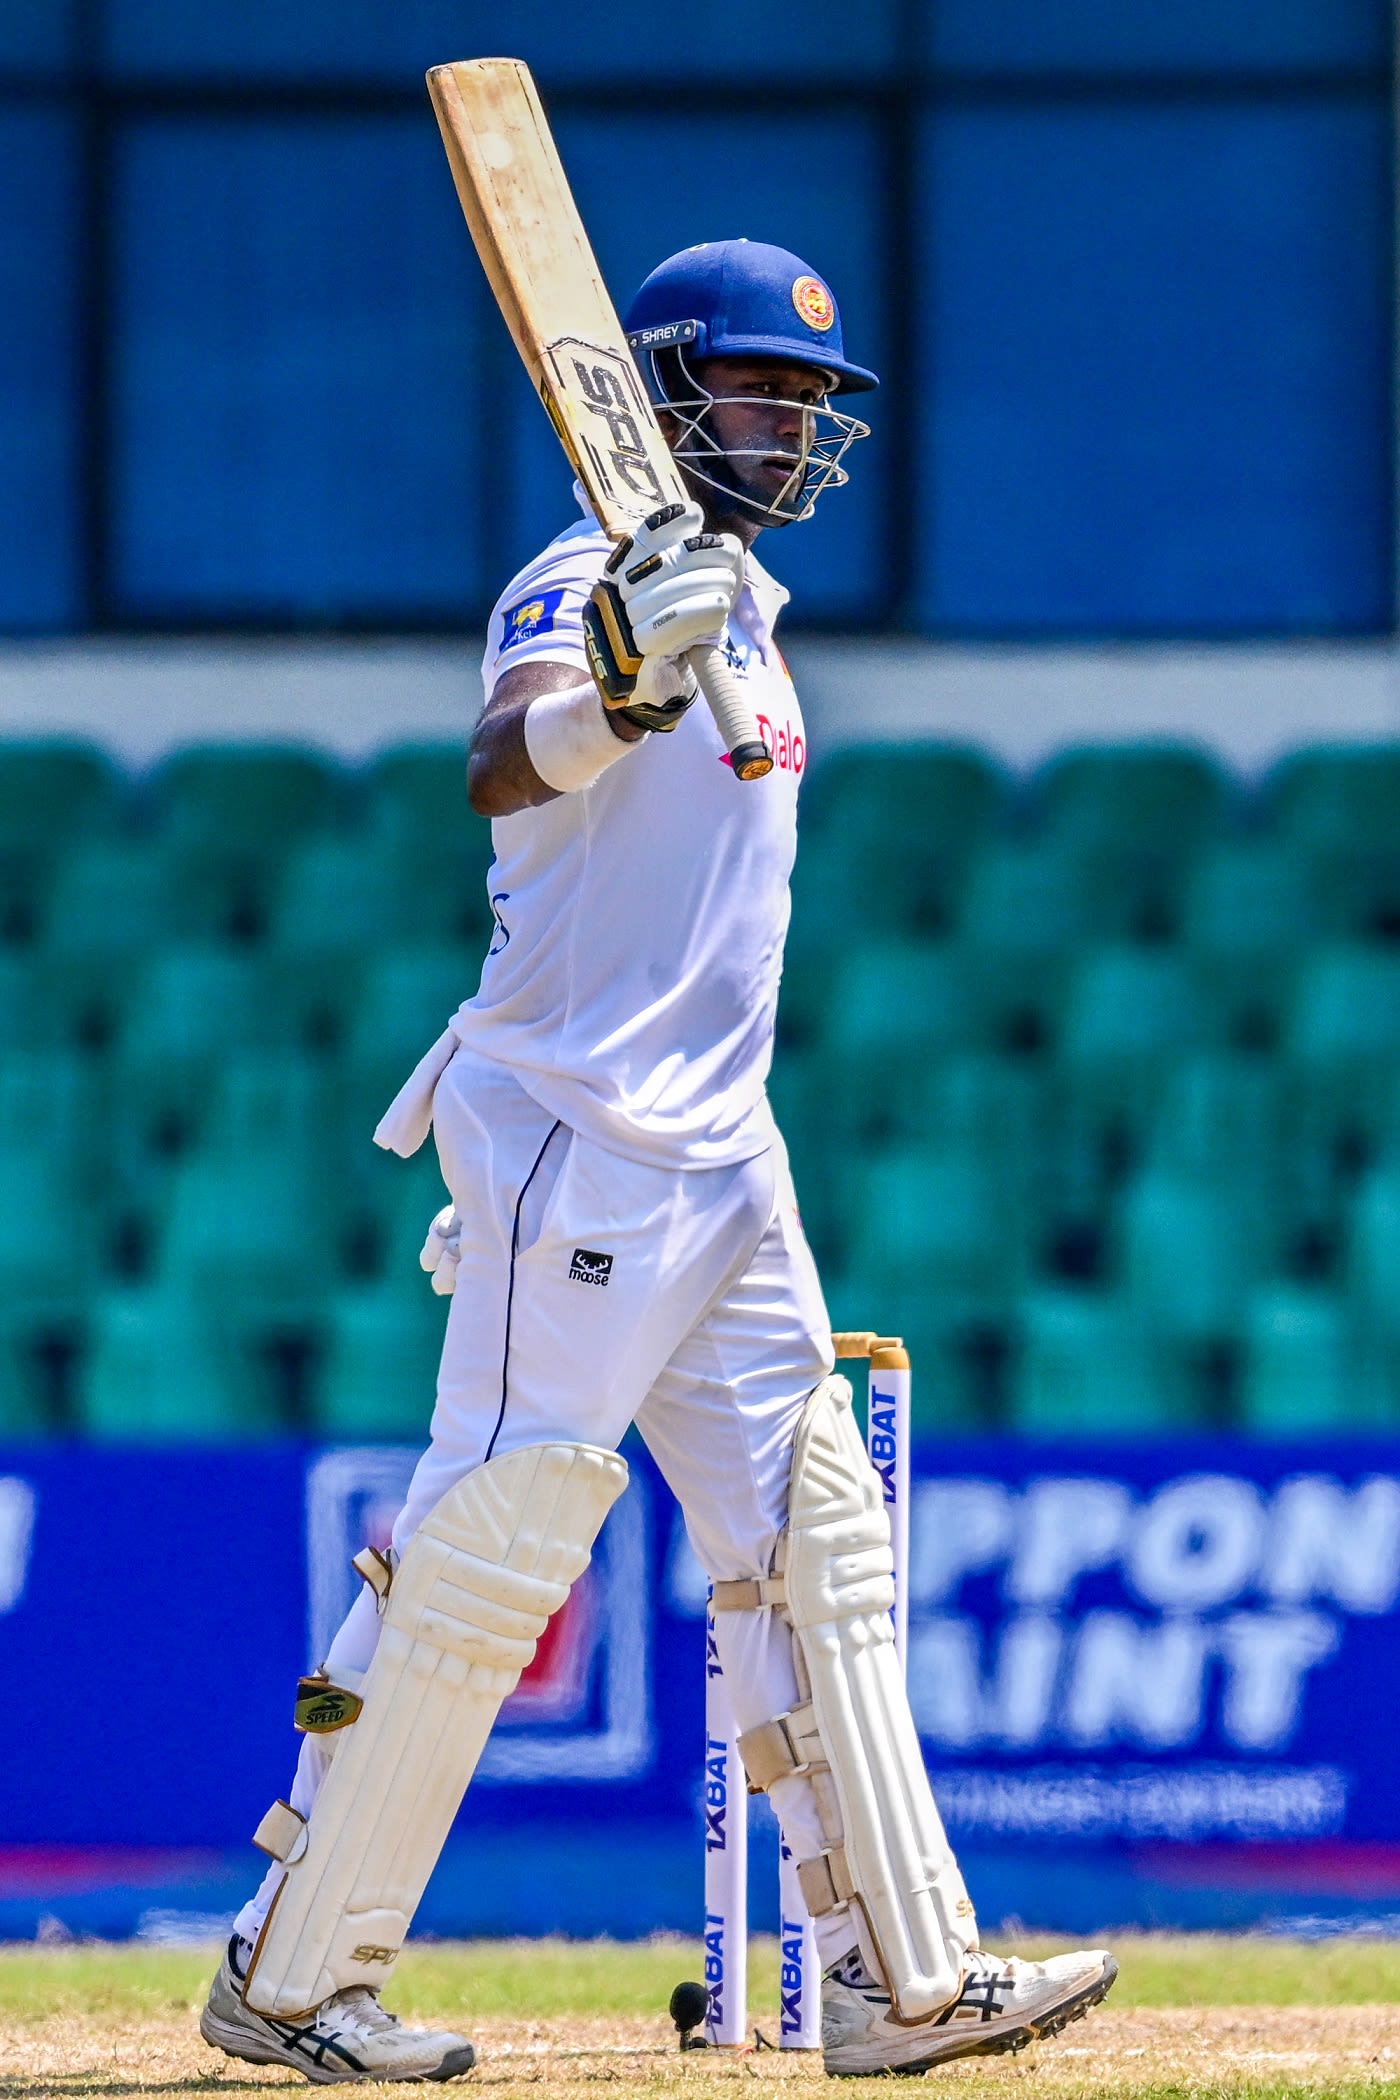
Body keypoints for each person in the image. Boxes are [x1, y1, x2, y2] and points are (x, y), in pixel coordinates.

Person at [200, 238, 1117, 2084]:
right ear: (667, 393)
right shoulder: (579, 583)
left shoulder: (753, 609)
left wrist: (684, 635)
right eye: (762, 391)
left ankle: (891, 1979)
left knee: (816, 1545)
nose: (791, 427)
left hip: (725, 1156)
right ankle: (290, 1979)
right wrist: (615, 684)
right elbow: (498, 767)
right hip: (575, 1134)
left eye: (807, 403)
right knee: (497, 1538)